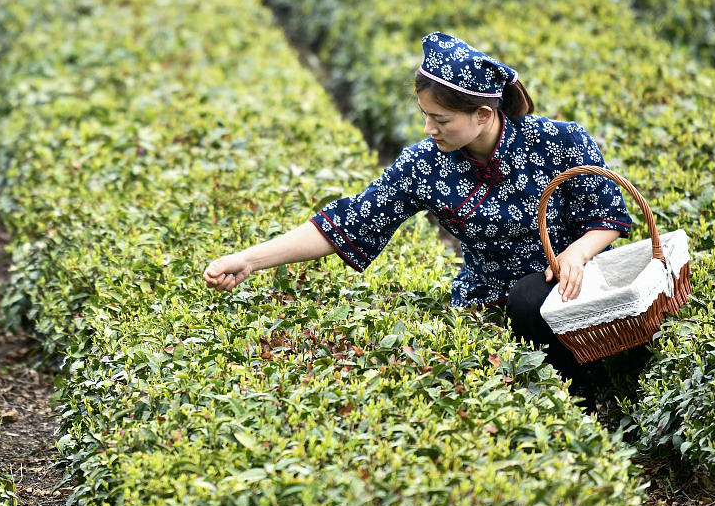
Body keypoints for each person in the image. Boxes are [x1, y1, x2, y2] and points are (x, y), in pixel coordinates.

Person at [203, 32, 633, 409]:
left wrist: (574, 255)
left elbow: (608, 216)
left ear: (483, 114)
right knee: (520, 299)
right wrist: (250, 260)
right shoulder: (424, 164)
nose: (429, 128)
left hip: (578, 281)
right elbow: (350, 222)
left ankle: (591, 388)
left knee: (528, 295)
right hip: (492, 296)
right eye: (424, 115)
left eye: (441, 119)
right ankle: (570, 403)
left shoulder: (559, 141)